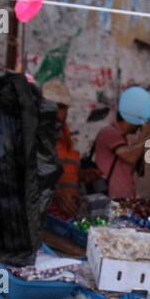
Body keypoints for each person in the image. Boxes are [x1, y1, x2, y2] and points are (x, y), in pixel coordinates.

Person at [92, 86, 150, 201]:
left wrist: (149, 138)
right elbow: (131, 158)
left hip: (127, 200)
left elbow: (144, 168)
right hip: (111, 201)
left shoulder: (127, 139)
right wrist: (146, 133)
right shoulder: (109, 133)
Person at [43, 79, 82, 218]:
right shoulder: (32, 137)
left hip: (64, 220)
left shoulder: (67, 138)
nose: (57, 112)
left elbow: (66, 171)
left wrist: (83, 175)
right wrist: (55, 193)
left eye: (62, 107)